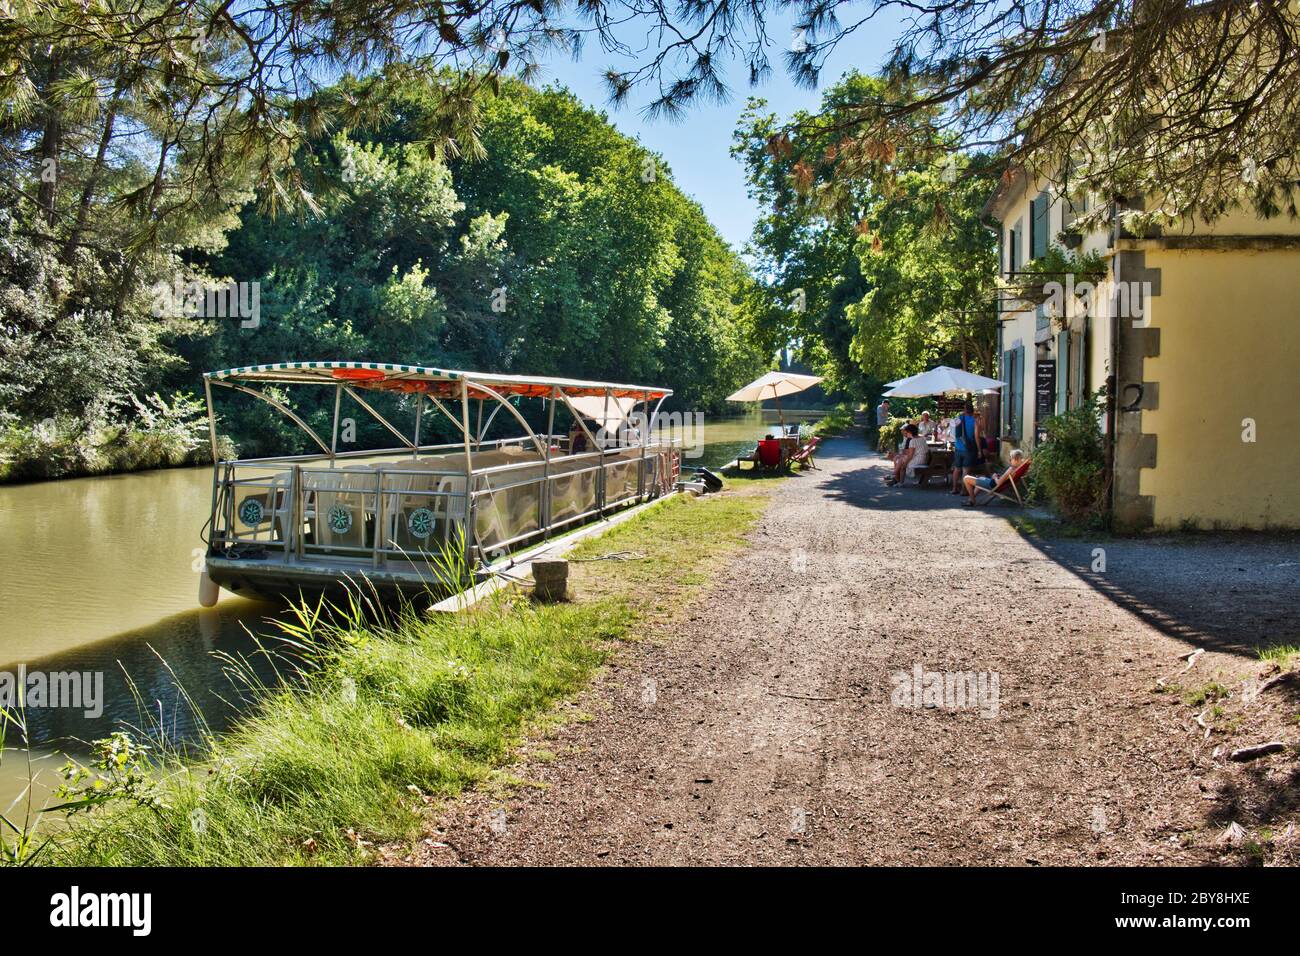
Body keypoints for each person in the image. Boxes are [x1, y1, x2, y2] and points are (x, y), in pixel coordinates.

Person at [949, 400, 983, 494]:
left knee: (957, 469)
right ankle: (963, 490)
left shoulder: (958, 419)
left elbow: (952, 432)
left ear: (964, 410)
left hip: (958, 447)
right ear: (973, 411)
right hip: (969, 448)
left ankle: (954, 489)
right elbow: (977, 437)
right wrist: (979, 450)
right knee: (965, 470)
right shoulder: (975, 421)